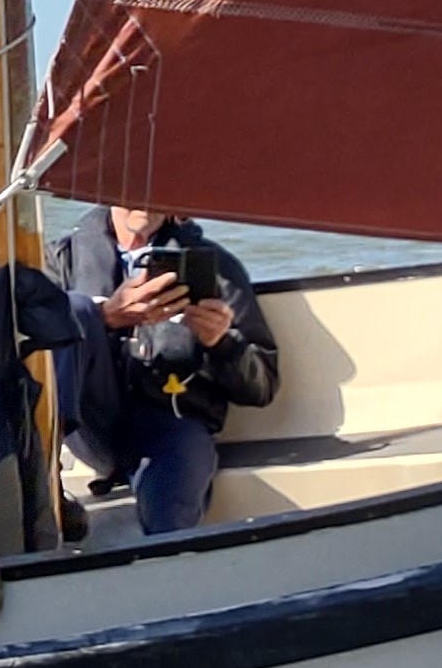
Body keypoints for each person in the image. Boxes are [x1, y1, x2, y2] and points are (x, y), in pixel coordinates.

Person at [46, 203, 281, 534]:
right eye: (133, 187)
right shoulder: (60, 261)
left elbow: (262, 386)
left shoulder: (216, 268)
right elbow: (24, 353)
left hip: (172, 426)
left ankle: (172, 556)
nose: (145, 202)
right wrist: (104, 317)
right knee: (73, 309)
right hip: (89, 424)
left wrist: (221, 343)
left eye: (156, 190)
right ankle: (44, 485)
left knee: (170, 516)